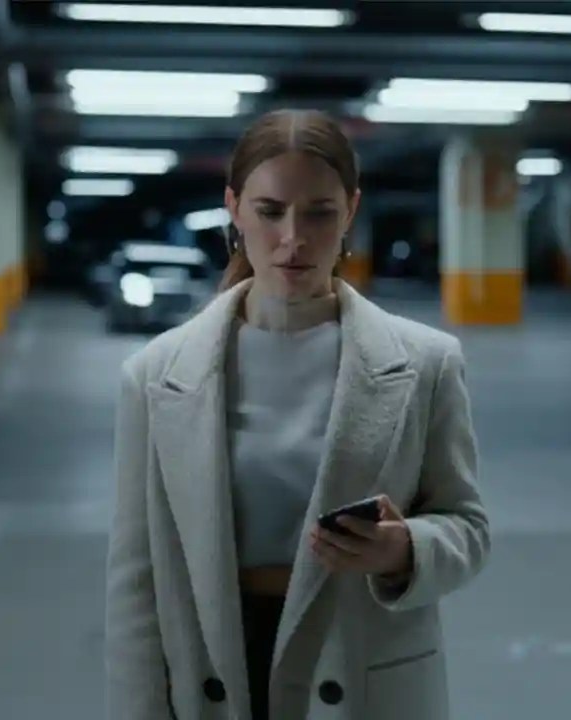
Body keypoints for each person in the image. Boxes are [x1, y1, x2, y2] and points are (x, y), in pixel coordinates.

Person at [105, 109, 490, 720]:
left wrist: (403, 550)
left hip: (360, 669)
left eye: (319, 212)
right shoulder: (155, 376)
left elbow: (468, 528)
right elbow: (135, 582)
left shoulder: (426, 364)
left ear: (351, 213)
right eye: (270, 210)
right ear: (234, 208)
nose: (294, 237)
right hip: (213, 666)